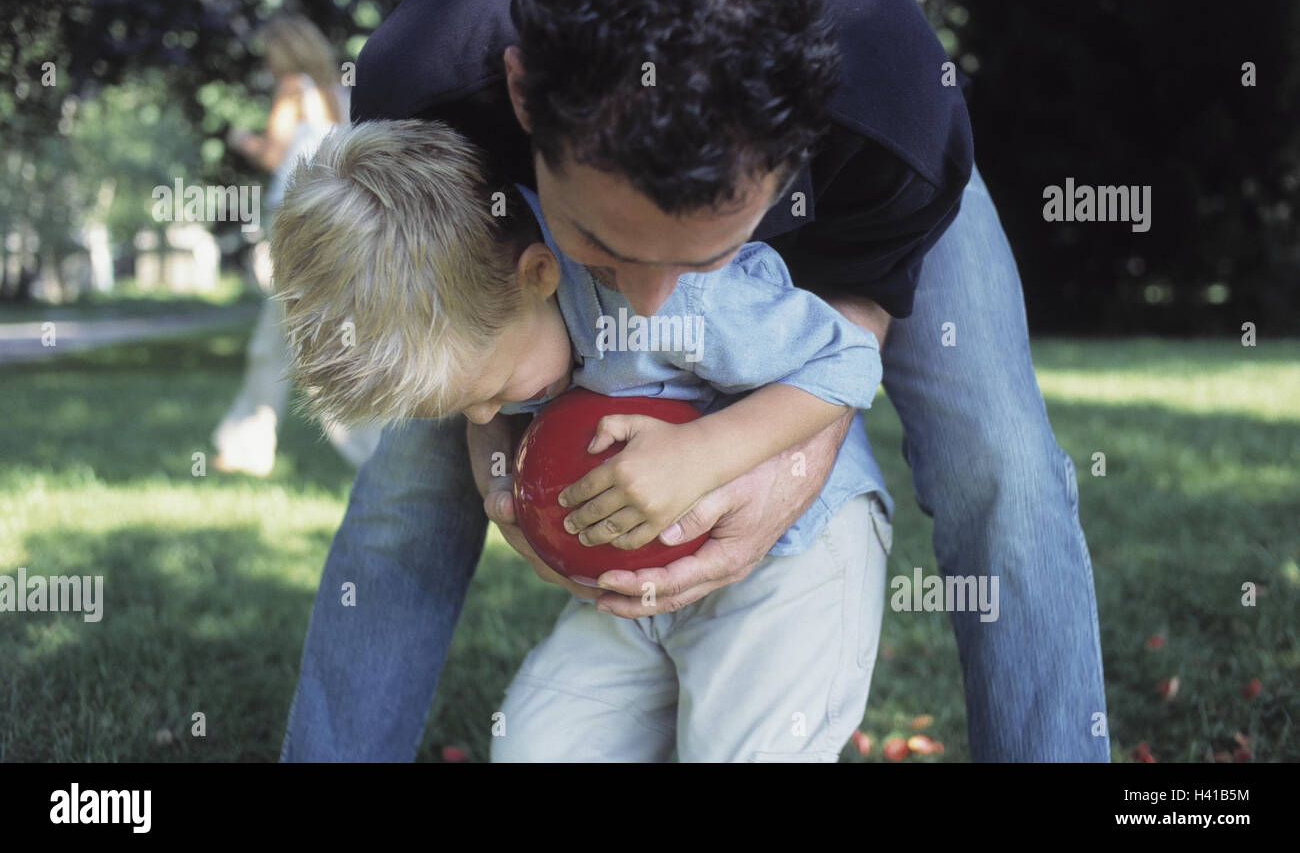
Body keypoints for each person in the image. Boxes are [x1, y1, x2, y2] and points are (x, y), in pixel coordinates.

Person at [281, 0, 1108, 762]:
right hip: (527, 261)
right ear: (523, 97)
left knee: (1000, 458)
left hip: (859, 193)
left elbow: (849, 332)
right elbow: (461, 313)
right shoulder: (423, 86)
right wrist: (499, 449)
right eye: (602, 246)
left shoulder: (893, 120)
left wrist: (771, 459)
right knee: (412, 479)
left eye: (701, 259)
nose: (651, 303)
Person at [270, 117, 894, 760]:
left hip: (789, 562)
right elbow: (489, 407)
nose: (486, 415)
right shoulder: (495, 308)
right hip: (639, 596)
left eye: (493, 389)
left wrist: (704, 456)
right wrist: (499, 475)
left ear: (539, 274)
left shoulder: (672, 297)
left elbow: (846, 361)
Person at [215, 14, 381, 476]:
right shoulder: (341, 94)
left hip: (293, 216)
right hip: (334, 216)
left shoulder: (292, 87)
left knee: (297, 335)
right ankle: (247, 444)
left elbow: (273, 153)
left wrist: (241, 139)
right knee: (296, 331)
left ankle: (368, 449)